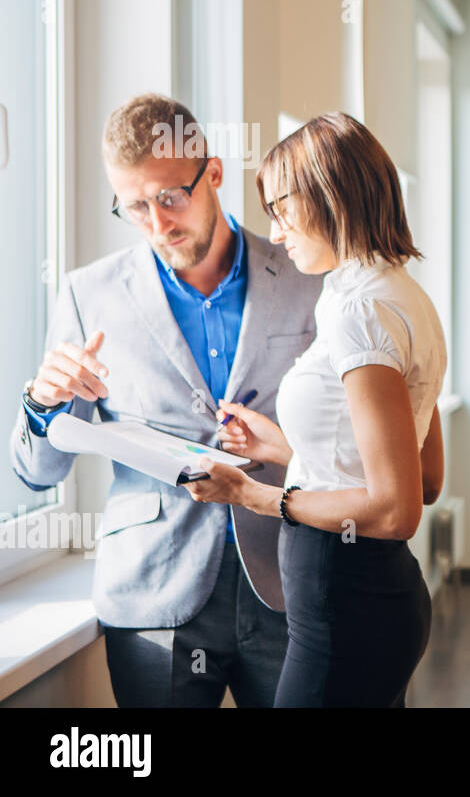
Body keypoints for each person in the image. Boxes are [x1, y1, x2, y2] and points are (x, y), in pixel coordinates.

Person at [9, 93, 322, 706]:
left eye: (170, 198)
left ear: (213, 174)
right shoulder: (87, 294)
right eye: (134, 207)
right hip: (154, 591)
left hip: (287, 574)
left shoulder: (305, 275)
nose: (158, 224)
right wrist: (43, 406)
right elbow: (38, 474)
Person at [183, 112, 446, 707]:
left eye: (281, 208)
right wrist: (280, 449)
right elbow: (421, 477)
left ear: (329, 195)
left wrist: (248, 494)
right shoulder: (402, 295)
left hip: (344, 607)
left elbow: (397, 508)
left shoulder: (360, 313)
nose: (274, 232)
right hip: (377, 600)